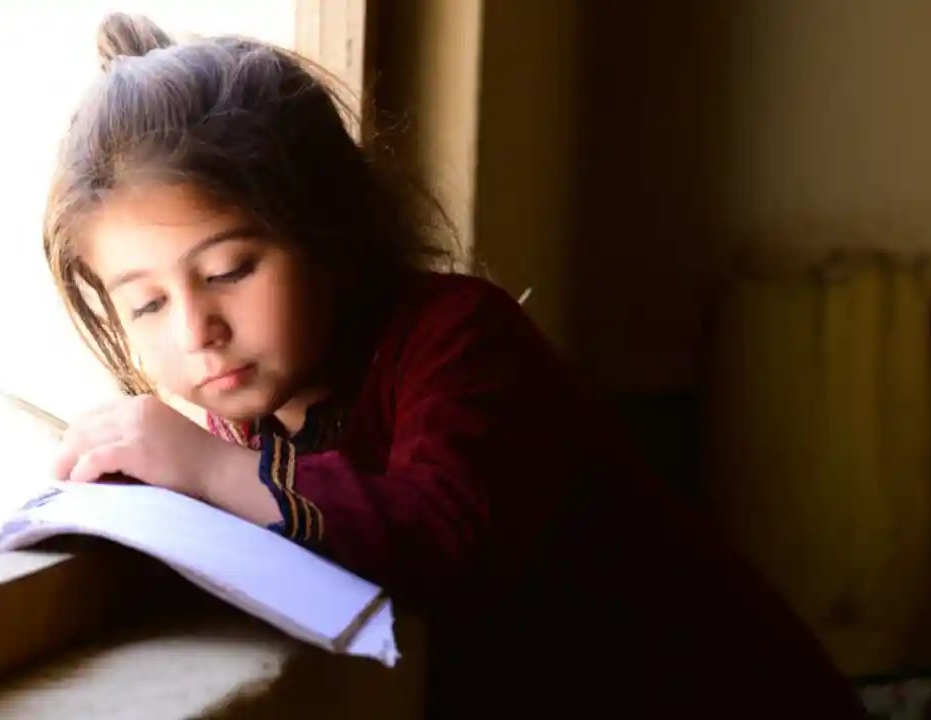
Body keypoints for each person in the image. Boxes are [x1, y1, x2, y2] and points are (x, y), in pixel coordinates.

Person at [43, 13, 865, 717]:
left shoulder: (461, 336)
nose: (198, 330)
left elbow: (448, 545)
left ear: (326, 230)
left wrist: (212, 472)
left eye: (229, 270)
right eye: (146, 304)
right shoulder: (249, 420)